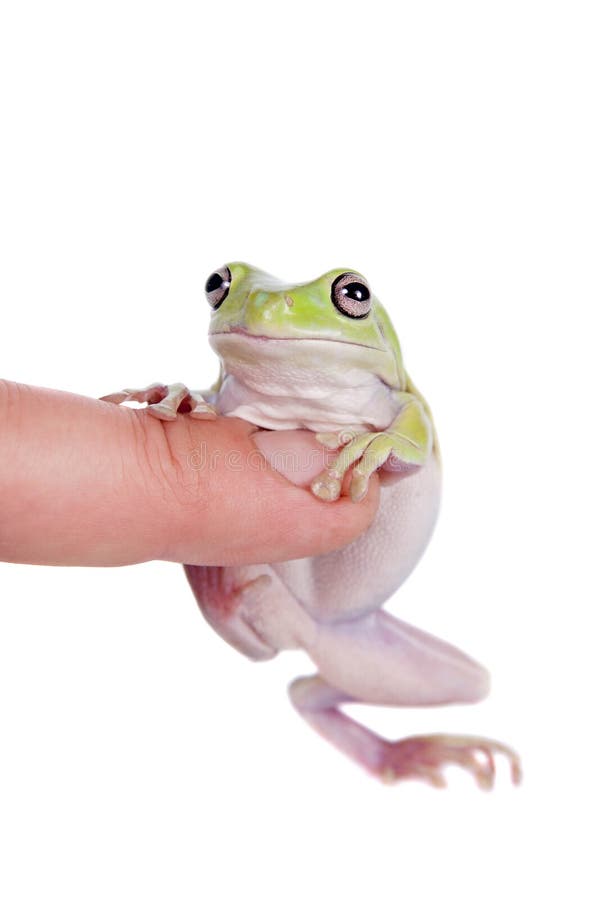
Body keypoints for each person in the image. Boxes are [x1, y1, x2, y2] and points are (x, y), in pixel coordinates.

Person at [0, 380, 378, 567]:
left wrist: (388, 442)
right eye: (221, 289)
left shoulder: (380, 392)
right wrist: (185, 398)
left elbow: (412, 447)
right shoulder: (242, 377)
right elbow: (223, 408)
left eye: (351, 297)